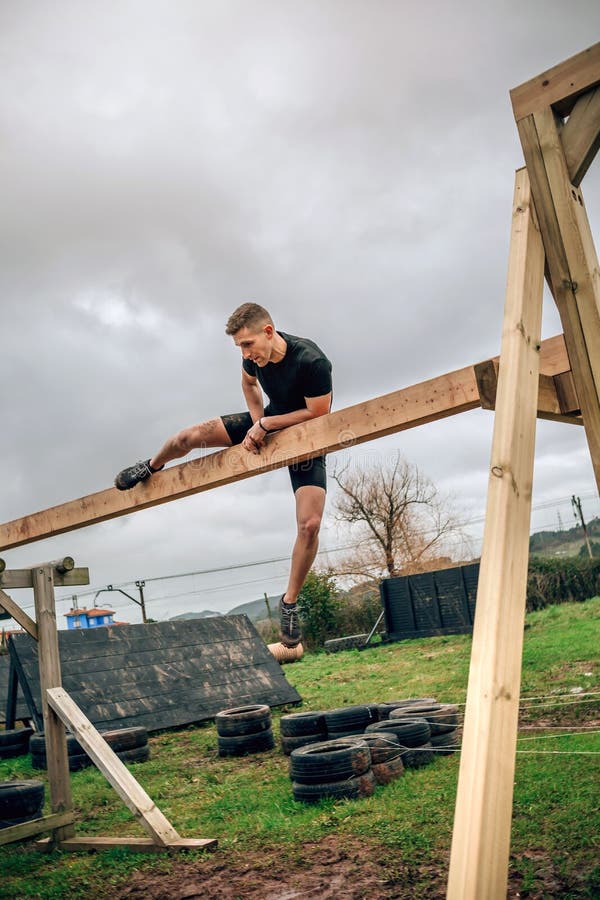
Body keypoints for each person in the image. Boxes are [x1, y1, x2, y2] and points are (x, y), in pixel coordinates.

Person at [114, 302, 333, 648]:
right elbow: (249, 384)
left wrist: (266, 424)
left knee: (310, 525)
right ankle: (151, 465)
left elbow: (318, 413)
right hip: (269, 420)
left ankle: (289, 602)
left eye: (248, 345)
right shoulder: (252, 359)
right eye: (239, 348)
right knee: (187, 437)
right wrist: (256, 420)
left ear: (269, 332)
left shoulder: (311, 361)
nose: (245, 354)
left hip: (307, 431)